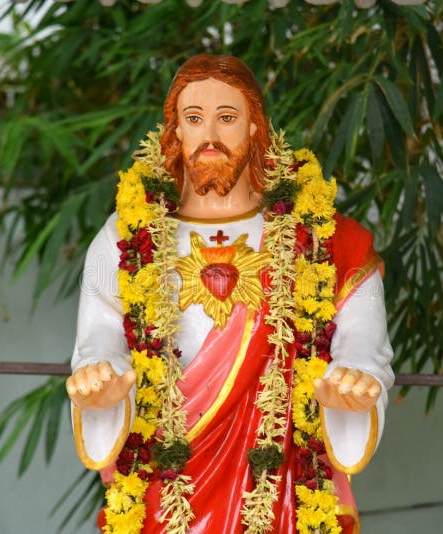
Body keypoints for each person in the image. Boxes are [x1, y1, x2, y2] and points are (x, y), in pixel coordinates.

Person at [67, 54, 394, 533]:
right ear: (175, 132)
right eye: (194, 120)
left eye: (227, 118)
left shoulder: (318, 235)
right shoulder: (123, 236)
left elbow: (361, 333)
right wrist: (102, 380)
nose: (210, 136)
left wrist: (354, 377)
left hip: (278, 479)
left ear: (256, 128)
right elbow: (98, 333)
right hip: (166, 478)